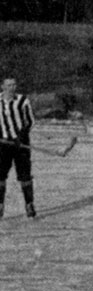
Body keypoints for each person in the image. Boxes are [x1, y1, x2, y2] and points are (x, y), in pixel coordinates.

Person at [0, 76, 37, 218]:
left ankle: (29, 204)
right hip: (3, 144)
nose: (12, 87)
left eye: (14, 84)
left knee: (25, 175)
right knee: (0, 174)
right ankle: (0, 205)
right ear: (2, 86)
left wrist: (20, 137)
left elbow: (30, 121)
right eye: (9, 85)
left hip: (21, 144)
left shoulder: (22, 100)